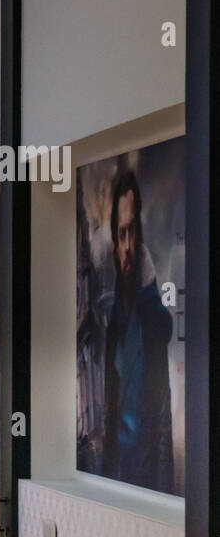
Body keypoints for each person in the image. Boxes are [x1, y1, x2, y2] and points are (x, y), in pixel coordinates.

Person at [102, 168, 175, 494]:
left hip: (147, 485)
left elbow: (163, 327)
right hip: (117, 481)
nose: (128, 245)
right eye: (121, 234)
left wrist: (146, 286)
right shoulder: (115, 311)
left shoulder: (148, 306)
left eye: (133, 232)